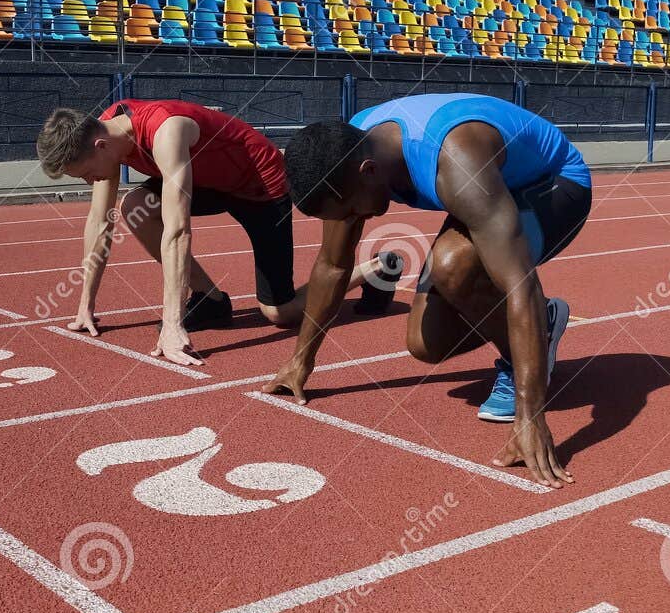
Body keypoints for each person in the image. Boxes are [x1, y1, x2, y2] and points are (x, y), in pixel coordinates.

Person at [263, 93, 593, 487]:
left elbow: (520, 283)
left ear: (368, 170)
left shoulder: (456, 158)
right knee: (426, 343)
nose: (355, 221)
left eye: (352, 211)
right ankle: (545, 323)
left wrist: (530, 418)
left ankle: (527, 347)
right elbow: (334, 265)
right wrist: (301, 360)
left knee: (455, 265)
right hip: (490, 185)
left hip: (554, 183)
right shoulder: (347, 155)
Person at [36, 100, 395, 367]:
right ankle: (209, 299)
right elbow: (100, 221)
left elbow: (177, 231)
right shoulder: (104, 134)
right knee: (134, 206)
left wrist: (172, 327)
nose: (90, 181)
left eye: (85, 174)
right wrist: (86, 305)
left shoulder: (166, 130)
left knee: (278, 313)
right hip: (209, 181)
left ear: (100, 146)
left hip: (260, 186)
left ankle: (375, 269)